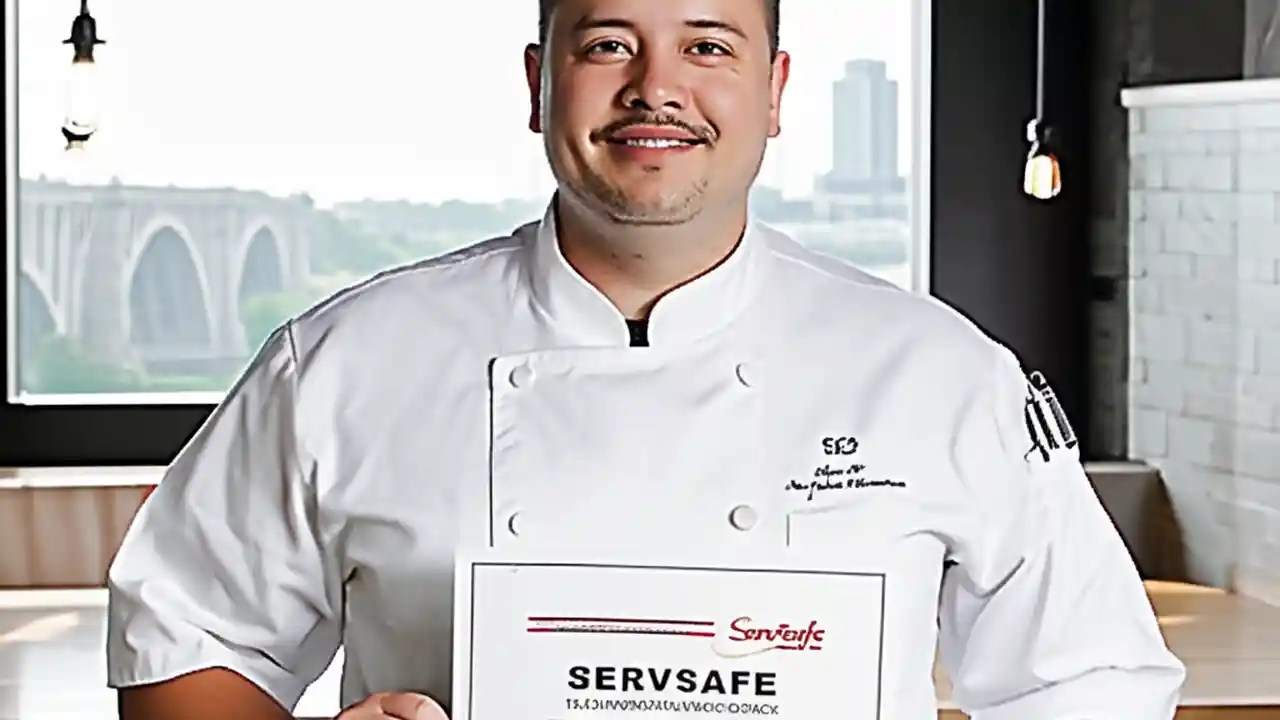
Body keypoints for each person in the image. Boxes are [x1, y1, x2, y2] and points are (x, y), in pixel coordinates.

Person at [104, 0, 1188, 717]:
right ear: (538, 82)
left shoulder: (939, 371)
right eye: (607, 44)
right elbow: (182, 643)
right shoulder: (340, 361)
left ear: (773, 90)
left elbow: (1091, 678)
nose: (653, 88)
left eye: (708, 46)